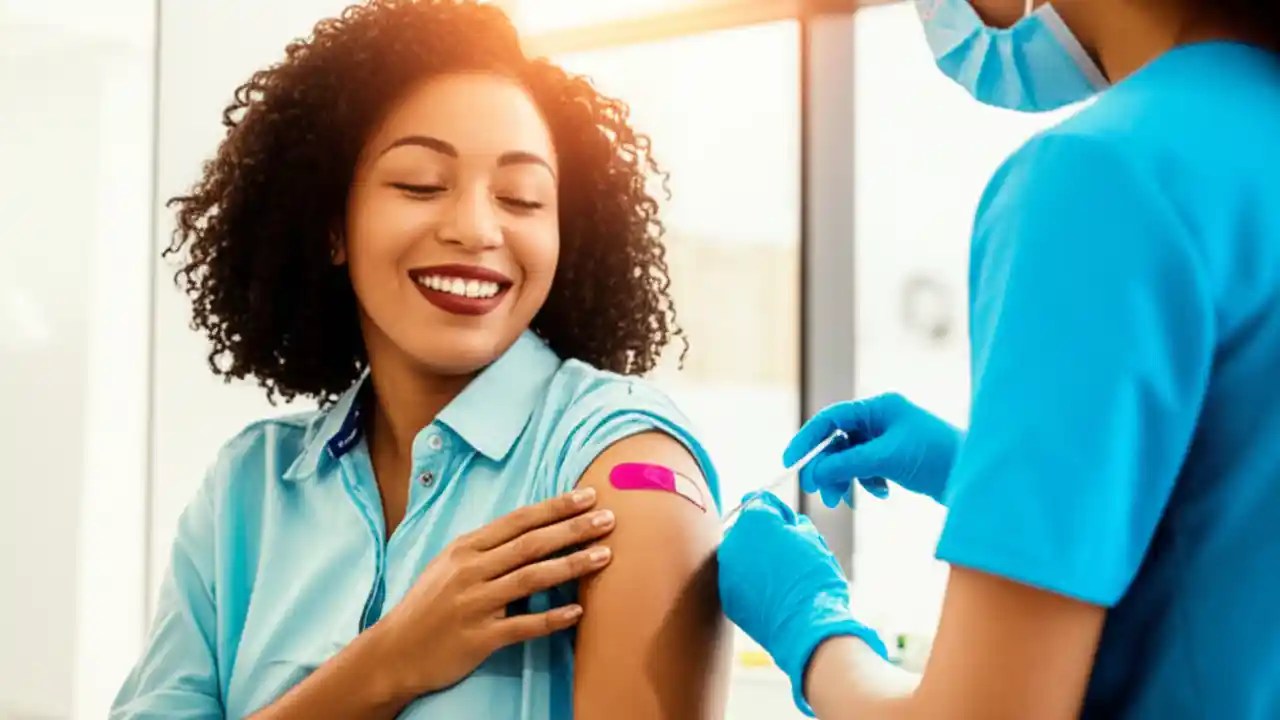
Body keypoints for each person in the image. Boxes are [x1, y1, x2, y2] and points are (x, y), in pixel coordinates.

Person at [111, 2, 729, 718]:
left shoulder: (616, 469)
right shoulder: (248, 493)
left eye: (521, 197)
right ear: (332, 225)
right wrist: (386, 663)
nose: (475, 227)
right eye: (420, 185)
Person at [719, 0, 1280, 718]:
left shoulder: (1103, 177)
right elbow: (1232, 549)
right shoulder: (1244, 139)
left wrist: (809, 625)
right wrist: (973, 476)